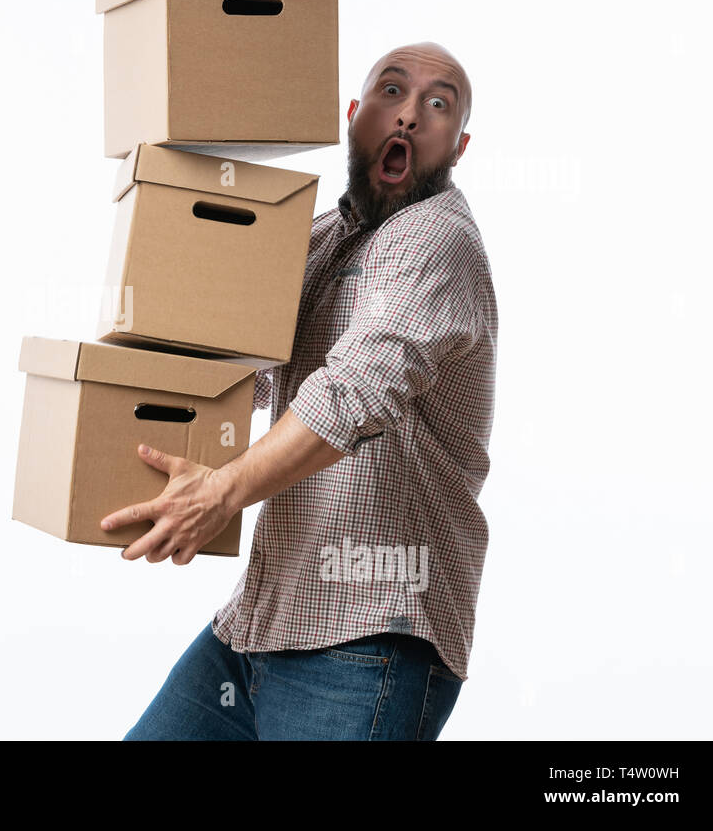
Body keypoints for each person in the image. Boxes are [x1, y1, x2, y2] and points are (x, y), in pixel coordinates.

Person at [100, 42, 497, 740]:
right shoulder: (321, 239)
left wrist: (218, 491)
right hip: (260, 624)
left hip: (368, 639)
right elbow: (241, 378)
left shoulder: (437, 240)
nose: (407, 115)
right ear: (355, 114)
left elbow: (350, 393)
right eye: (391, 91)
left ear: (458, 144)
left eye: (437, 105)